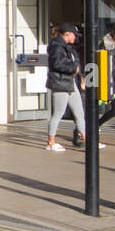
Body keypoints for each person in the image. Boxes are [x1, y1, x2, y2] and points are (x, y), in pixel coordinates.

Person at [45, 23, 85, 151]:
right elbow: (56, 64)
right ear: (67, 33)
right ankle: (51, 142)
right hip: (61, 83)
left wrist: (78, 74)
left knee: (79, 112)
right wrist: (74, 68)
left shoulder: (67, 47)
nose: (76, 37)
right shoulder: (56, 46)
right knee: (58, 113)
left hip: (70, 82)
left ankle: (87, 140)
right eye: (74, 34)